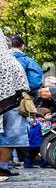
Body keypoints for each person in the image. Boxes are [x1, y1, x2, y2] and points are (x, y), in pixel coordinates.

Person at [0, 46, 29, 177]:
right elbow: (35, 79)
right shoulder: (16, 59)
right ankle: (2, 166)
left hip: (9, 94)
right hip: (14, 96)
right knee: (11, 134)